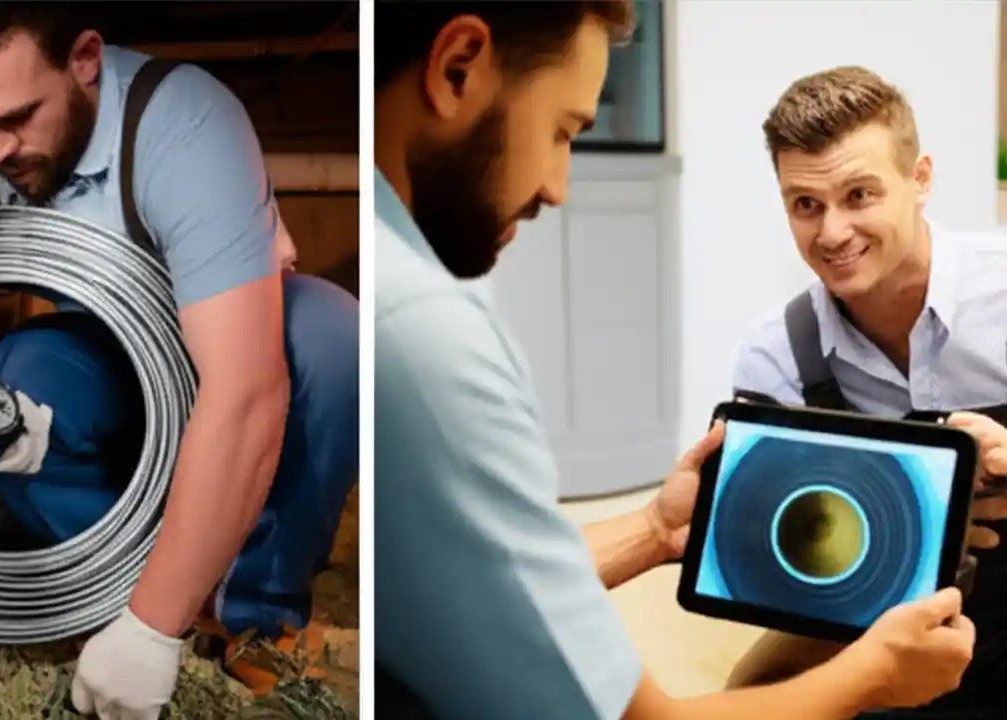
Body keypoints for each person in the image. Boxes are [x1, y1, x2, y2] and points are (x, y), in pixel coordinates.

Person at [374, 3, 977, 719]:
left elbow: (486, 571)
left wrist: (657, 531)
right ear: (456, 69)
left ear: (921, 178)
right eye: (562, 131)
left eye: (861, 195)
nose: (558, 187)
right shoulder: (425, 335)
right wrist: (873, 676)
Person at [0, 3, 359, 717]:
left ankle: (249, 615)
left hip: (216, 335)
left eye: (16, 116)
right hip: (100, 350)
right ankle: (122, 582)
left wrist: (151, 633)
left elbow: (247, 391)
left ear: (84, 58)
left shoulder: (185, 124)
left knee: (332, 337)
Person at [727, 65, 1007, 716]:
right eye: (806, 205)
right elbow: (775, 575)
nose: (831, 233)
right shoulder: (774, 359)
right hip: (878, 642)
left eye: (859, 195)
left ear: (921, 179)